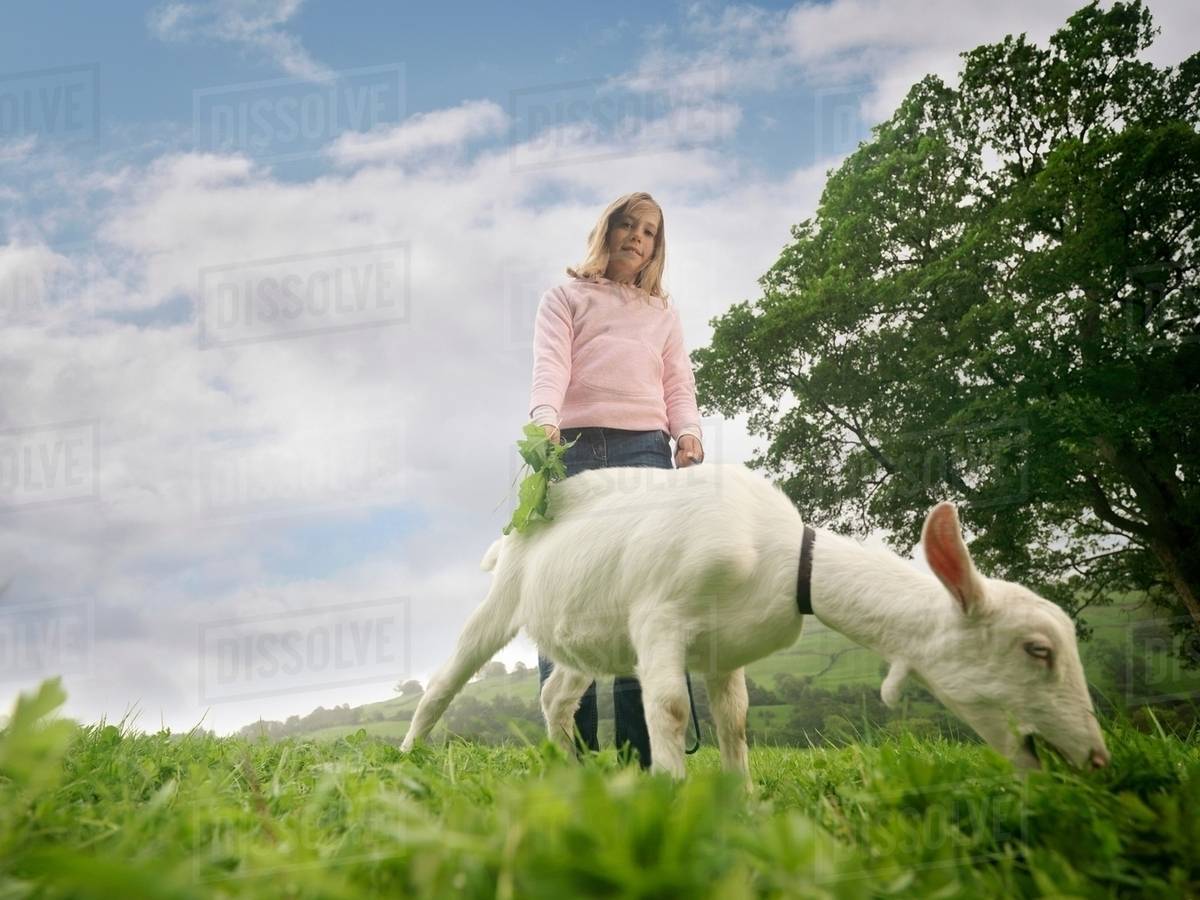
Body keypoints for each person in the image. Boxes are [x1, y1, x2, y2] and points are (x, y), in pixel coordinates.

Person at [527, 191, 705, 769]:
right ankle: (569, 754)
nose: (637, 236)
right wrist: (545, 423)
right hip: (574, 450)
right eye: (627, 224)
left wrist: (688, 434)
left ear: (657, 246)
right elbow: (552, 365)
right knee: (566, 595)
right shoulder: (566, 297)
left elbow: (678, 383)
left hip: (644, 453)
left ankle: (642, 756)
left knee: (643, 602)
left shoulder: (662, 314)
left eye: (649, 231)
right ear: (606, 230)